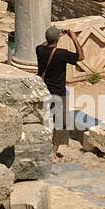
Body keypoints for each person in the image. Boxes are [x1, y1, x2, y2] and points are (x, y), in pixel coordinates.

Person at [36, 25, 85, 160]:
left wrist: (54, 36)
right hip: (58, 92)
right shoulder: (61, 53)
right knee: (62, 123)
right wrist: (73, 38)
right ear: (57, 39)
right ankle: (53, 153)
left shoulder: (39, 49)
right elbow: (81, 57)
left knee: (43, 119)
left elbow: (44, 44)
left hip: (43, 90)